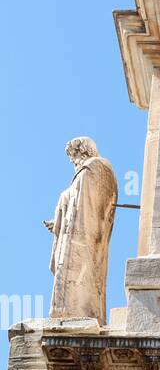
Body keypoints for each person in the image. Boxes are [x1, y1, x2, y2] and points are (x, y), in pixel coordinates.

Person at [44, 137, 116, 322]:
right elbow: (77, 202)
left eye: (74, 156)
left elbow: (88, 208)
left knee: (80, 275)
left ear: (83, 152)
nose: (73, 162)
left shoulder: (94, 167)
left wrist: (68, 221)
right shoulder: (90, 169)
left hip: (83, 240)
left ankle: (77, 312)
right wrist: (60, 222)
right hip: (77, 233)